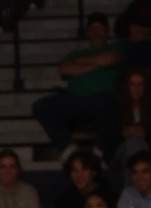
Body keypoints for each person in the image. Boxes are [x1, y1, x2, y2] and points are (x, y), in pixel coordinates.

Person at [31, 14, 124, 157]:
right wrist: (97, 64)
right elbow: (64, 70)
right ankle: (67, 148)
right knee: (41, 106)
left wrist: (81, 63)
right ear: (87, 32)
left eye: (100, 28)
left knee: (111, 105)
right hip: (74, 97)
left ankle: (100, 151)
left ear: (107, 32)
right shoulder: (75, 53)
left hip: (102, 98)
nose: (96, 31)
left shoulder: (116, 48)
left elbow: (110, 59)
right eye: (92, 28)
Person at [108, 67, 151, 172]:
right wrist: (123, 134)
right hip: (120, 152)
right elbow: (108, 136)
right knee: (133, 143)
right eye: (132, 84)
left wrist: (145, 134)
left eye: (140, 85)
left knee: (137, 143)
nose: (136, 88)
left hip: (148, 151)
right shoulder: (114, 108)